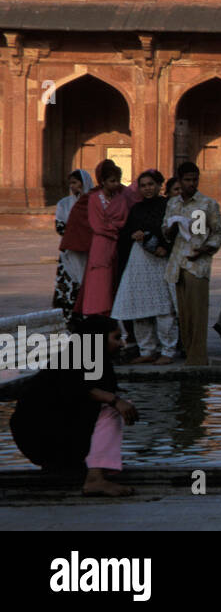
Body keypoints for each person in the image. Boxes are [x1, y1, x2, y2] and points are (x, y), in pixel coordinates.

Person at [8, 315, 140, 497]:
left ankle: (84, 467)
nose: (121, 344)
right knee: (111, 410)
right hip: (40, 438)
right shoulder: (74, 359)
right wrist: (115, 401)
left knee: (109, 406)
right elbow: (73, 388)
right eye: (116, 338)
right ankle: (95, 479)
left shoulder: (88, 359)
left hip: (45, 439)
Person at [111, 170, 178, 365]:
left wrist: (163, 247)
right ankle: (147, 349)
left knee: (163, 309)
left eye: (151, 184)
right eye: (143, 185)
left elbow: (174, 232)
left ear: (159, 186)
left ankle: (167, 351)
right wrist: (135, 235)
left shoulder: (168, 206)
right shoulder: (136, 209)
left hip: (160, 261)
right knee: (140, 309)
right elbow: (126, 234)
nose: (147, 189)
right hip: (139, 262)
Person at [163, 161, 221, 366]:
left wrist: (206, 249)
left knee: (198, 313)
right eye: (187, 180)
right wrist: (171, 229)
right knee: (184, 314)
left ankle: (198, 357)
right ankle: (189, 354)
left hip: (197, 264)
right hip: (178, 263)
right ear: (180, 181)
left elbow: (218, 232)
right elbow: (166, 230)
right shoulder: (173, 204)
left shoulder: (208, 204)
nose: (191, 183)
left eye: (194, 179)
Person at [76, 160, 139, 318]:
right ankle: (95, 311)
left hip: (116, 243)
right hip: (101, 244)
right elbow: (96, 225)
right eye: (112, 181)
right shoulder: (94, 199)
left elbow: (123, 220)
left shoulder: (121, 199)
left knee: (113, 278)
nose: (116, 184)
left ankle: (110, 312)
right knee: (99, 278)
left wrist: (112, 227)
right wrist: (113, 229)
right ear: (103, 181)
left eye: (118, 180)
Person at [52, 168, 93, 317]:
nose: (72, 186)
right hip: (70, 251)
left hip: (89, 251)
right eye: (70, 183)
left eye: (75, 182)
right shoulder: (64, 203)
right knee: (70, 286)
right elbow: (60, 226)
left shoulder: (94, 202)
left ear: (84, 183)